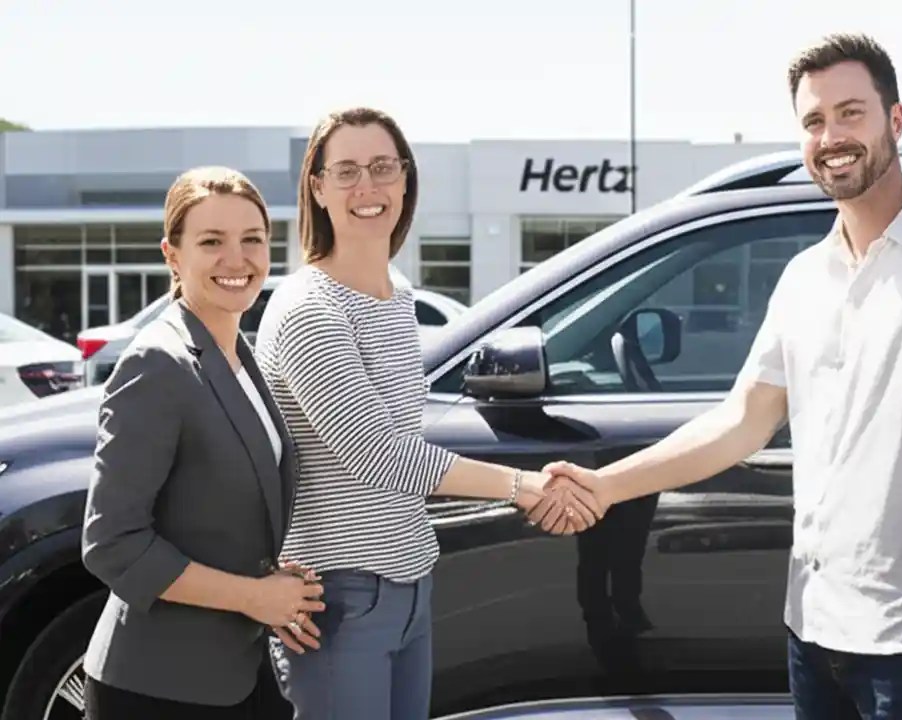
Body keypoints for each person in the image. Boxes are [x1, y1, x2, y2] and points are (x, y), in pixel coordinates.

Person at [533, 32, 902, 720]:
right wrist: (605, 485)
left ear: (895, 121)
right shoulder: (805, 277)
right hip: (812, 632)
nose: (831, 135)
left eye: (850, 113)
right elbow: (740, 421)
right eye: (814, 121)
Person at [254, 106, 600, 720]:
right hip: (341, 596)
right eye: (348, 170)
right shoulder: (309, 307)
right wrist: (520, 486)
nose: (368, 187)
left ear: (406, 179)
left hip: (409, 586)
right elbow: (379, 453)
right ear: (317, 187)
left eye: (383, 167)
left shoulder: (396, 294)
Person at [81, 166, 327, 720]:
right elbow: (111, 543)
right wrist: (254, 596)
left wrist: (275, 579)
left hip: (235, 673)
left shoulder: (239, 351)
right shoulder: (157, 363)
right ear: (173, 255)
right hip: (157, 688)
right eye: (211, 242)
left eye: (252, 240)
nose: (236, 260)